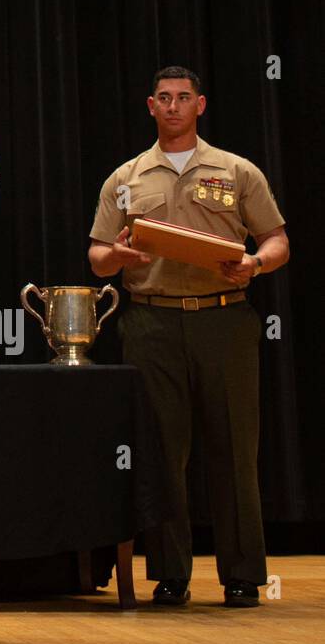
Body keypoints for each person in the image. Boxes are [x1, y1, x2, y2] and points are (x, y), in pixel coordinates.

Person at [88, 65, 289, 608]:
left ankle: (243, 573)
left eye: (183, 98)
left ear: (200, 105)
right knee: (162, 452)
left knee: (233, 451)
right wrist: (120, 255)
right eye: (163, 98)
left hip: (224, 320)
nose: (173, 106)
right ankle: (170, 573)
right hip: (151, 321)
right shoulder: (126, 177)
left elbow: (276, 240)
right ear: (149, 106)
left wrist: (256, 264)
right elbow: (98, 258)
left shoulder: (236, 170)